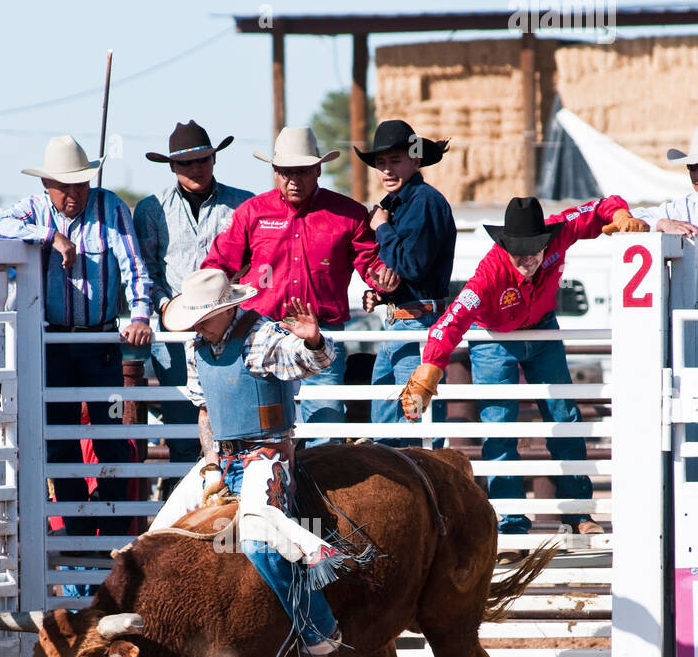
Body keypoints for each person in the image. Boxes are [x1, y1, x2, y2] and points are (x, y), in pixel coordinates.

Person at [400, 195, 649, 536]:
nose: (526, 258)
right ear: (505, 246)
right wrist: (431, 367)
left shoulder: (560, 231)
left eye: (534, 248)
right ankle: (511, 522)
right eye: (517, 250)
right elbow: (452, 319)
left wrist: (620, 213)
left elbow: (600, 206)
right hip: (494, 339)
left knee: (564, 417)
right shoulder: (488, 274)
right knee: (499, 427)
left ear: (546, 240)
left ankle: (579, 514)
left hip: (542, 330)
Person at [161, 268, 353, 657]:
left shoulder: (261, 337)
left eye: (202, 318)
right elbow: (206, 409)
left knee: (259, 544)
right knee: (157, 537)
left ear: (225, 310)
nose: (196, 327)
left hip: (267, 457)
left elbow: (312, 361)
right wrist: (211, 463)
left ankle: (321, 632)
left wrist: (314, 339)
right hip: (224, 459)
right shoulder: (199, 345)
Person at [0, 135, 152, 538]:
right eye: (65, 186)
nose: (74, 193)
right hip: (53, 344)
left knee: (111, 440)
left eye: (80, 184)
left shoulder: (110, 206)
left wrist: (141, 314)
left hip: (102, 346)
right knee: (59, 442)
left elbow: (135, 268)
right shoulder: (34, 209)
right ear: (47, 186)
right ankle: (78, 529)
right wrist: (50, 236)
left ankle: (110, 533)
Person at [202, 125, 399, 436]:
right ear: (275, 172)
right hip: (263, 331)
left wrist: (381, 281)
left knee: (326, 421)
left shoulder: (347, 214)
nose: (293, 180)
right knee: (264, 425)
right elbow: (219, 265)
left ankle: (324, 481)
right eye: (285, 172)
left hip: (320, 331)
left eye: (303, 171)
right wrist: (202, 303)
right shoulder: (252, 212)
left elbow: (370, 264)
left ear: (318, 169)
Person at [133, 120, 253, 474]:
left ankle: (232, 497)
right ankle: (184, 501)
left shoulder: (243, 204)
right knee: (182, 428)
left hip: (231, 327)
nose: (196, 168)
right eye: (186, 163)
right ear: (172, 167)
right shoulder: (151, 209)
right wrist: (165, 305)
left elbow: (253, 263)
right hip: (176, 330)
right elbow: (147, 269)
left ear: (214, 160)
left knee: (235, 421)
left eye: (203, 159)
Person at [355, 119, 456, 443]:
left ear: (415, 160)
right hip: (405, 320)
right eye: (381, 163)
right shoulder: (405, 203)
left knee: (413, 421)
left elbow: (411, 265)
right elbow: (410, 270)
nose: (386, 170)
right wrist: (382, 294)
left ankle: (423, 490)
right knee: (393, 419)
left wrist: (382, 227)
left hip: (417, 323)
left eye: (394, 161)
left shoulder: (422, 202)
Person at [632, 125, 698, 236]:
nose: (696, 175)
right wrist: (659, 224)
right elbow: (631, 217)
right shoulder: (684, 208)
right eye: (691, 167)